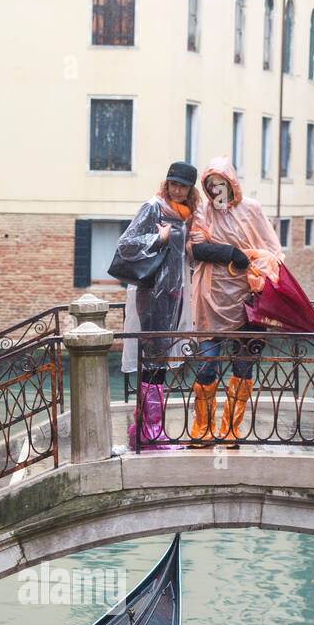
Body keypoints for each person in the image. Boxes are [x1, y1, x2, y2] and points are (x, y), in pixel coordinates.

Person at [189, 156, 284, 447]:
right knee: (206, 365)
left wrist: (255, 264)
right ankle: (202, 429)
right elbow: (194, 248)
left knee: (243, 367)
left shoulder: (252, 209)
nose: (216, 191)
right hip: (211, 300)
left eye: (220, 184)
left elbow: (273, 251)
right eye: (210, 186)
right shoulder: (203, 212)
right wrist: (230, 253)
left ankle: (231, 428)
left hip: (249, 301)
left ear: (232, 184)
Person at [117, 161, 198, 447]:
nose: (177, 190)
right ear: (167, 183)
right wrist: (158, 238)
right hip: (152, 295)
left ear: (190, 190)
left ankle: (146, 430)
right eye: (173, 184)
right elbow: (126, 244)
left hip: (173, 296)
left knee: (159, 360)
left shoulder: (186, 215)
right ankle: (150, 433)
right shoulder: (154, 207)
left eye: (183, 186)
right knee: (153, 361)